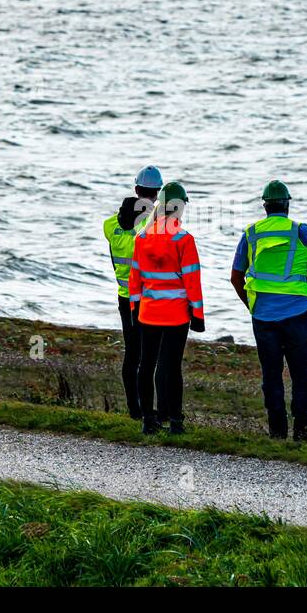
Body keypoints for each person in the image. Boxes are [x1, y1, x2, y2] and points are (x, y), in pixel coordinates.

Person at [229, 180, 307, 441]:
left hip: (263, 315)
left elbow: (236, 277)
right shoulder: (301, 231)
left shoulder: (251, 233)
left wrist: (252, 305)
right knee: (301, 375)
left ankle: (277, 430)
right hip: (297, 314)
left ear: (265, 206)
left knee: (271, 374)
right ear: (287, 204)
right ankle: (303, 430)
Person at [128, 181, 205, 435]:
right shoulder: (183, 239)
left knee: (145, 365)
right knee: (171, 368)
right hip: (176, 316)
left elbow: (135, 277)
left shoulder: (143, 237)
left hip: (148, 312)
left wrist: (134, 308)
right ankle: (175, 421)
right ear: (180, 207)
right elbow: (192, 280)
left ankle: (148, 420)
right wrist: (198, 315)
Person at [103, 165, 161, 420]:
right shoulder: (154, 223)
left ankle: (133, 408)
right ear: (156, 193)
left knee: (132, 354)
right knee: (151, 357)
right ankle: (150, 410)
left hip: (124, 297)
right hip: (148, 298)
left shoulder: (109, 226)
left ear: (136, 189)